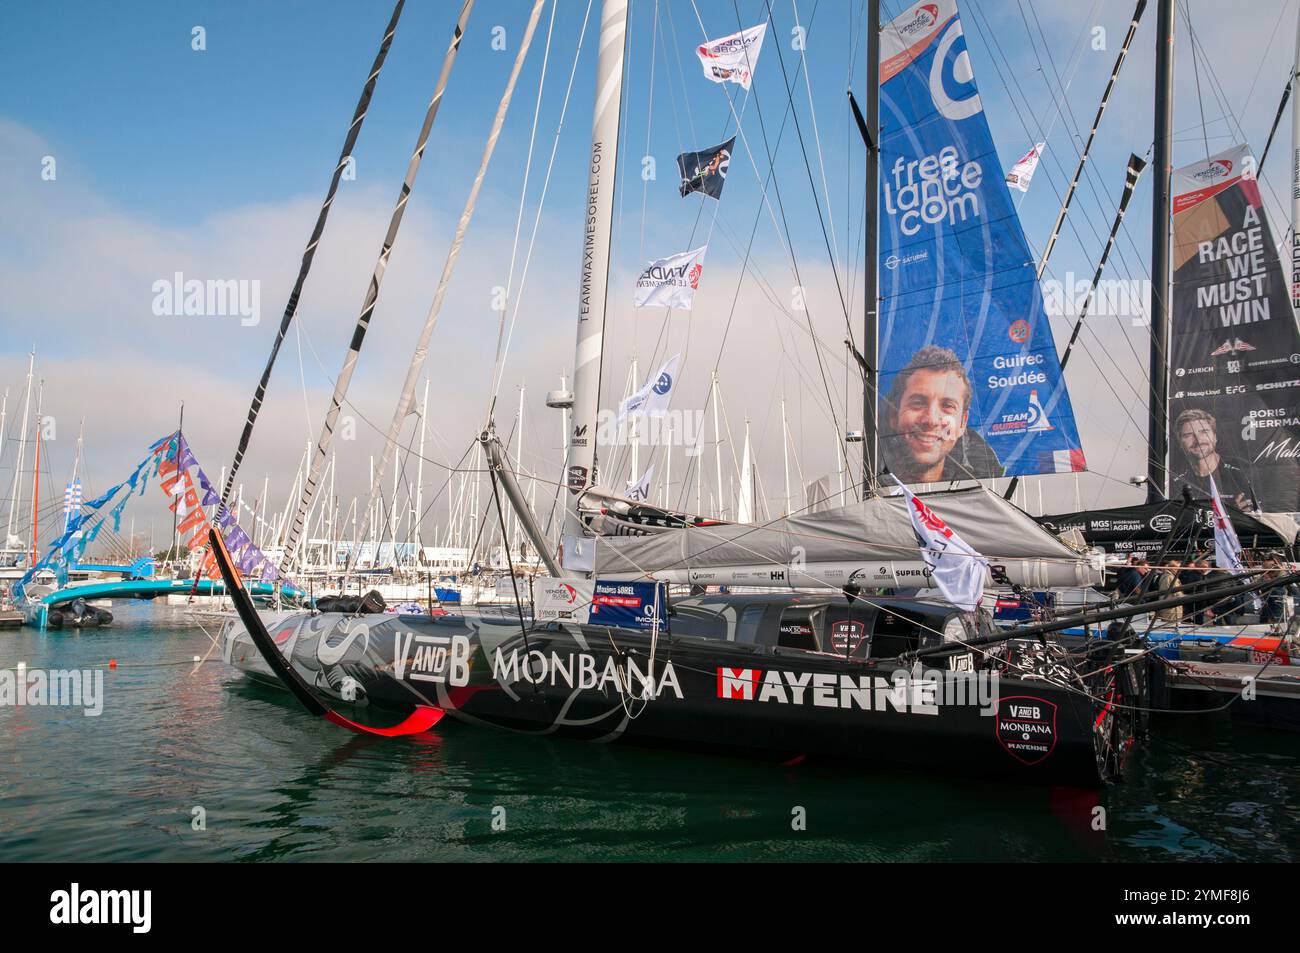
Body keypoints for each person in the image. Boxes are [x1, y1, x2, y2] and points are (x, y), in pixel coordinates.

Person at [882, 345, 1004, 483]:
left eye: (947, 406)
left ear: (962, 423)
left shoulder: (992, 488)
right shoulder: (866, 475)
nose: (931, 420)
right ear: (893, 415)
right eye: (918, 403)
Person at [1169, 409, 1256, 509]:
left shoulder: (1243, 470)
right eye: (1188, 435)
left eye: (1204, 432)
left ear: (1215, 437)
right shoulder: (1174, 481)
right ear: (1180, 442)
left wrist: (1239, 514)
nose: (1198, 440)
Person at [1153, 560, 1184, 624]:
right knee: (1173, 626)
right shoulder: (1171, 578)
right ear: (1172, 568)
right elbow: (1177, 593)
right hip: (1172, 608)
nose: (1179, 570)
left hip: (1166, 606)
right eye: (1178, 568)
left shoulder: (1164, 576)